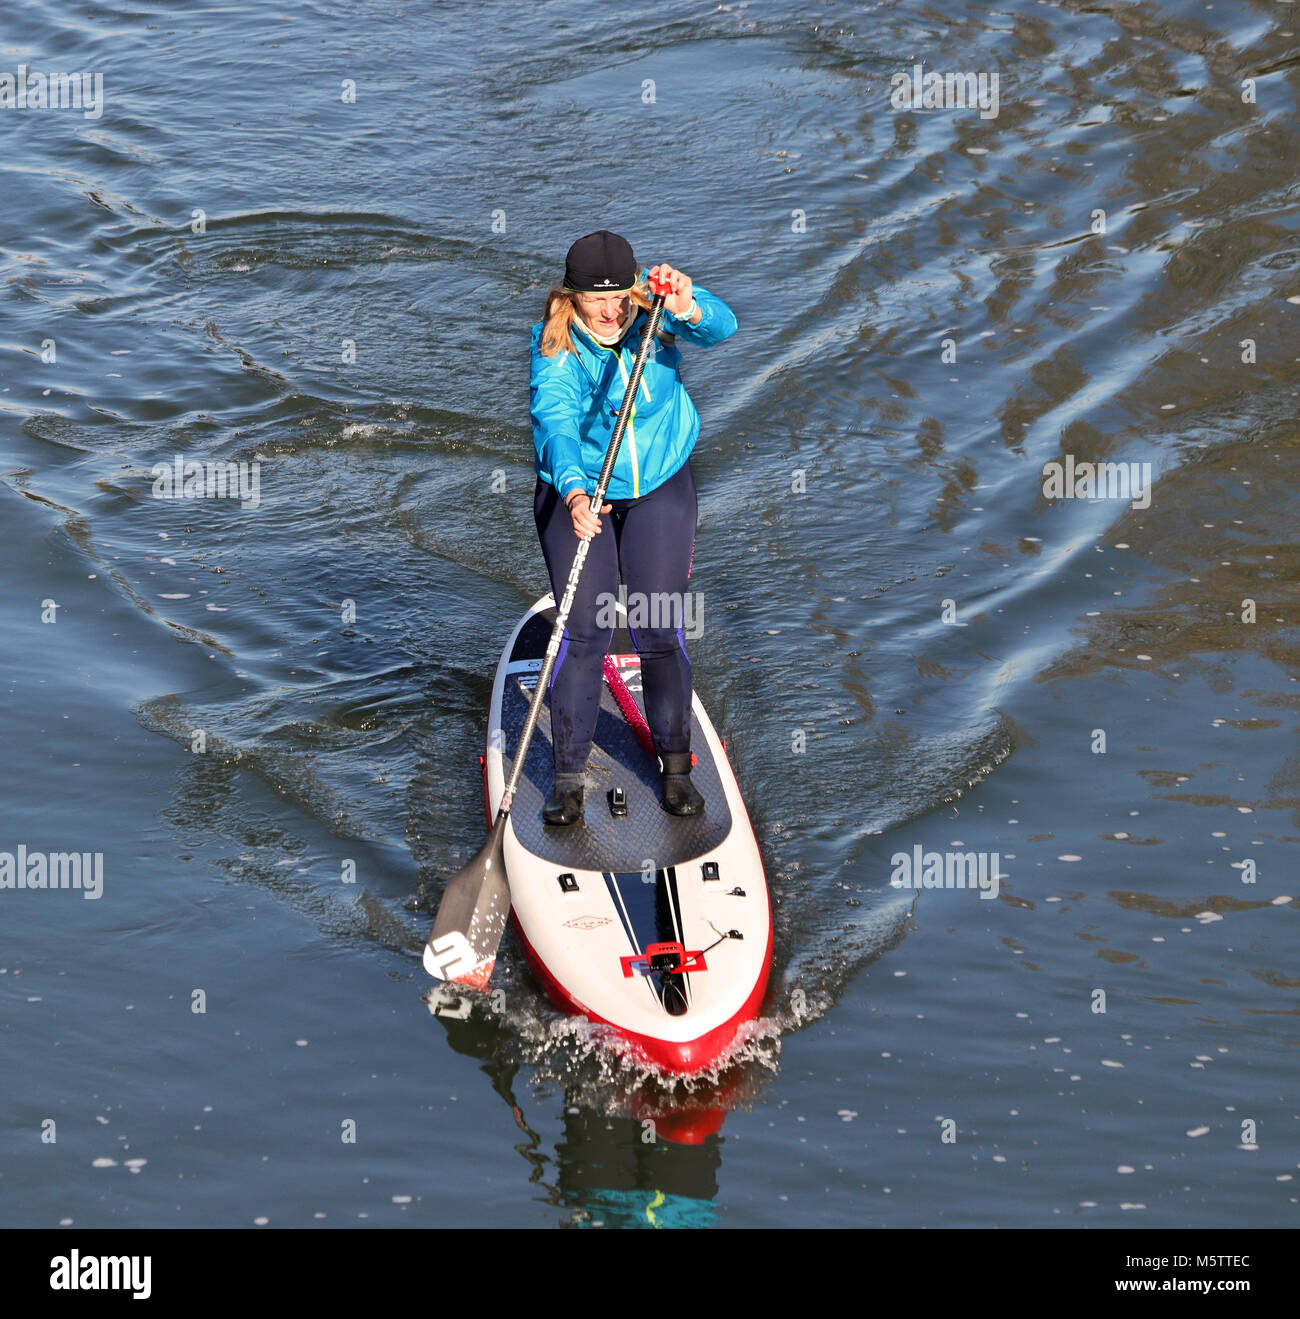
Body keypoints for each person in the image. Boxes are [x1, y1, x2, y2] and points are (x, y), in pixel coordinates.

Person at [529, 229, 737, 825]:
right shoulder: (557, 347)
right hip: (579, 492)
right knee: (588, 628)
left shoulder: (654, 313)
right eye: (597, 299)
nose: (612, 310)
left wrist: (688, 305)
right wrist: (571, 490)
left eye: (621, 295)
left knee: (657, 628)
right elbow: (555, 421)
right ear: (570, 298)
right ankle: (567, 778)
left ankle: (675, 766)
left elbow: (723, 328)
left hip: (659, 486)